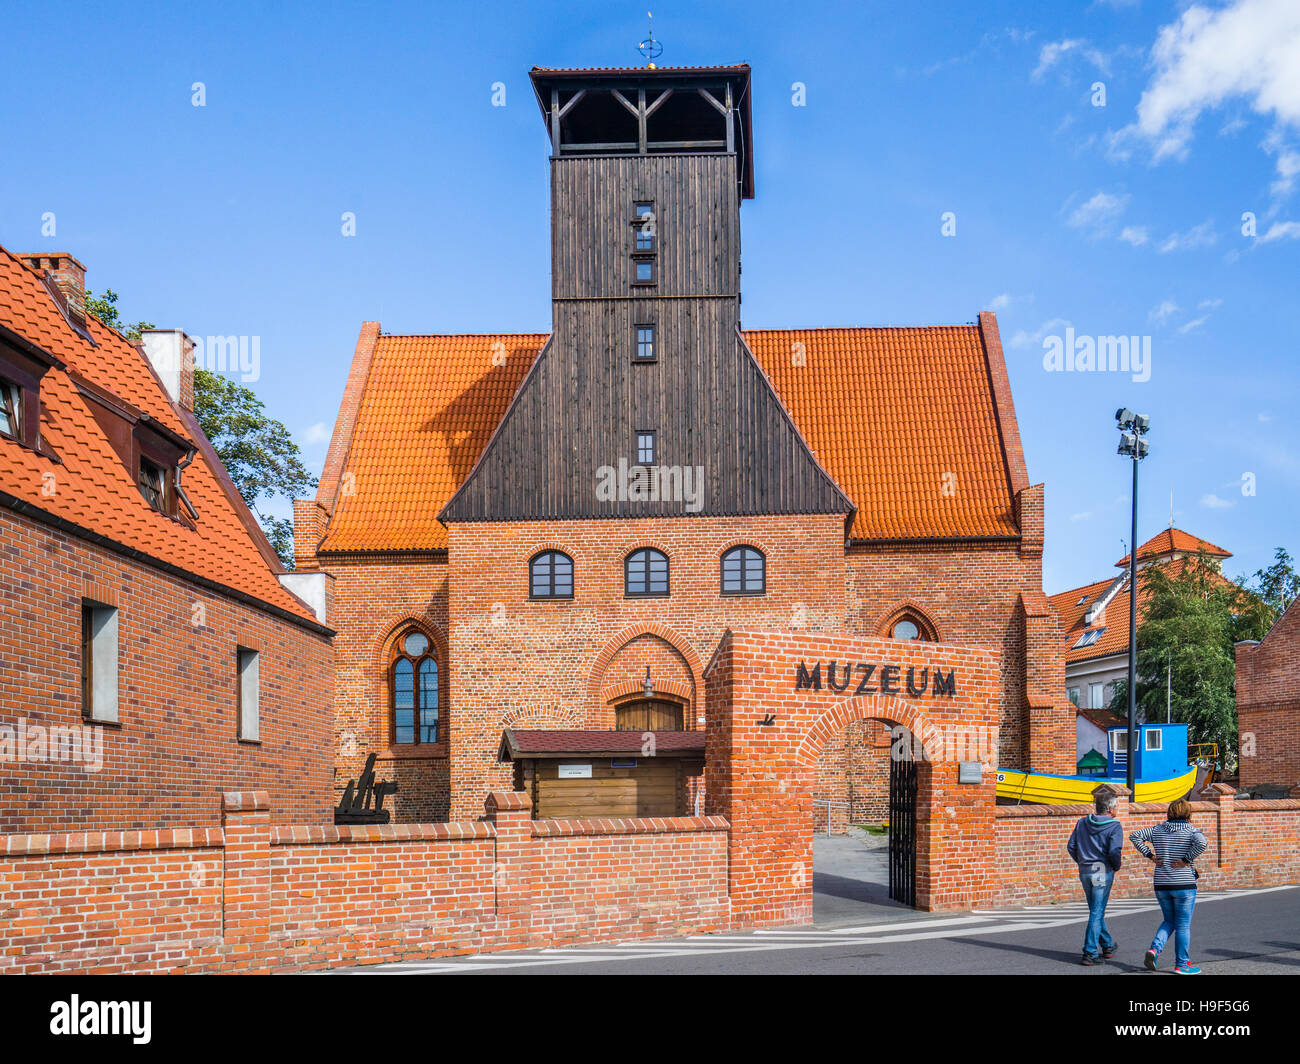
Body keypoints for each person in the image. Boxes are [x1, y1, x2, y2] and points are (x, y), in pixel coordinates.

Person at [1129, 798, 1208, 975]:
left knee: (1169, 920)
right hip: (1184, 884)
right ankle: (1182, 964)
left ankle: (1155, 950)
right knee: (1183, 925)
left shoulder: (1157, 830)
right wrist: (1186, 860)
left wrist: (1150, 855)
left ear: (1170, 812)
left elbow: (1135, 836)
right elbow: (1202, 843)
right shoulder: (1191, 830)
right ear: (1188, 813)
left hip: (1162, 883)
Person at [1067, 789, 1124, 965]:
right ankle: (1090, 952)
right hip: (1102, 870)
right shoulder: (1114, 826)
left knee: (1095, 910)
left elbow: (1071, 846)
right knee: (1097, 911)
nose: (1118, 809)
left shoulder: (1082, 823)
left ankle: (1107, 945)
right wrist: (1116, 867)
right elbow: (1114, 852)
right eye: (1117, 806)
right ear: (1110, 809)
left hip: (1085, 870)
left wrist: (1082, 861)